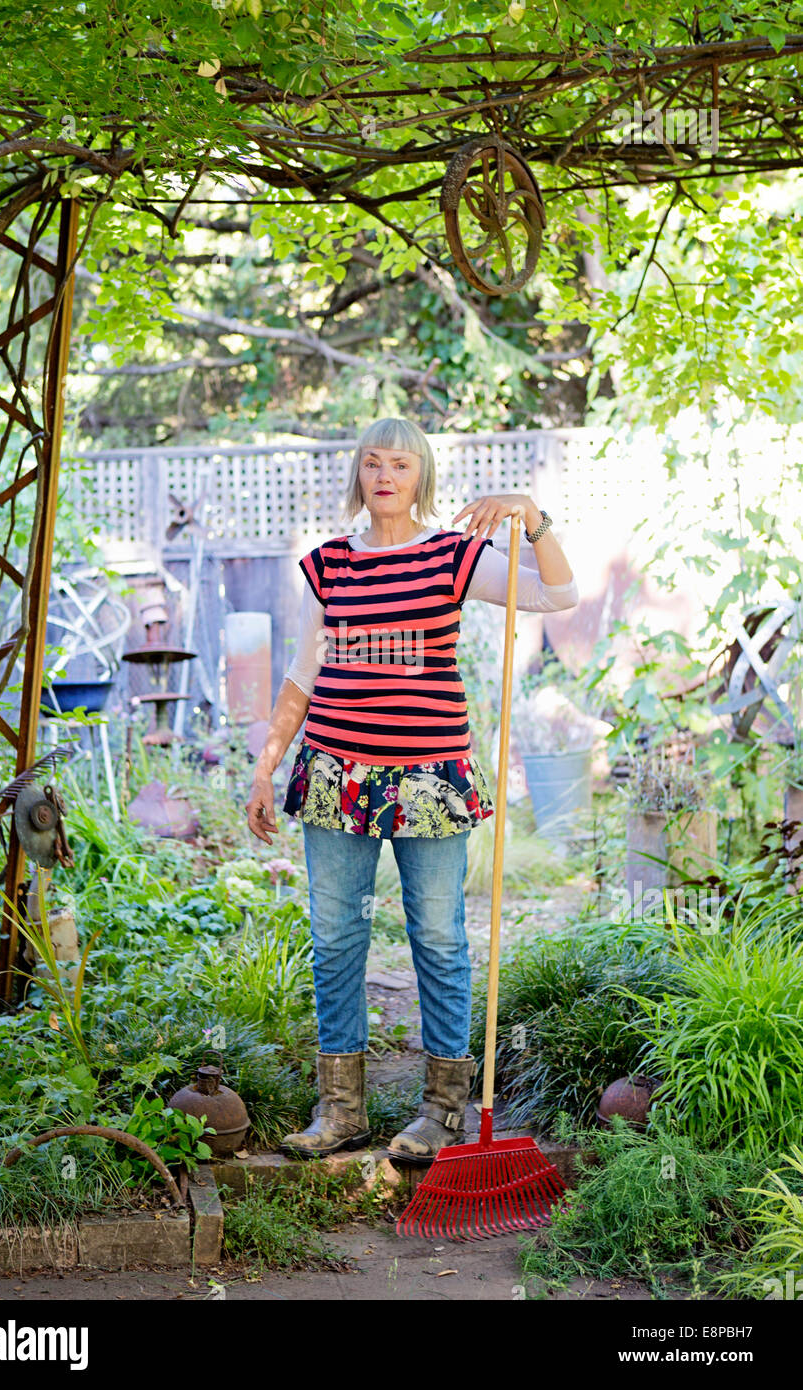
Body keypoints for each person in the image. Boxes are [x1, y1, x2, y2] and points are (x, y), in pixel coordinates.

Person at [245, 416, 578, 1166]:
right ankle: (340, 1111)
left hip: (431, 777)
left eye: (400, 463)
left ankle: (442, 1113)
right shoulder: (328, 564)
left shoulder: (456, 555)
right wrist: (267, 765)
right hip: (335, 774)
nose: (385, 475)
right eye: (371, 462)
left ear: (420, 475)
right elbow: (303, 674)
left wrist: (532, 514)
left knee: (437, 937)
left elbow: (561, 593)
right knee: (335, 940)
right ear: (357, 475)